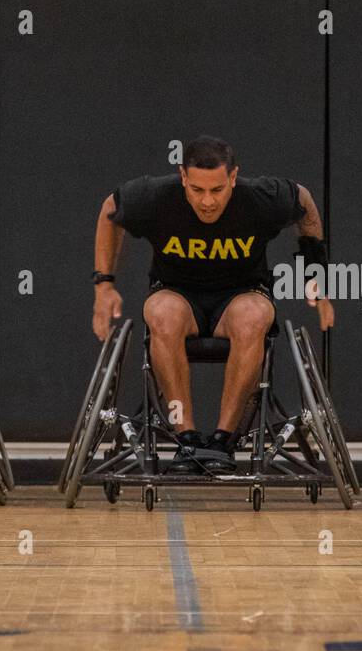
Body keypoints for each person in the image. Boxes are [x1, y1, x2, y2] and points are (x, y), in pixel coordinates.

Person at [92, 136, 334, 474]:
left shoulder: (262, 198)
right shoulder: (156, 197)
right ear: (183, 178)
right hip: (177, 294)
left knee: (255, 315)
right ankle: (186, 437)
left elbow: (304, 201)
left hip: (241, 294)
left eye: (217, 190)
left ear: (233, 178)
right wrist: (104, 284)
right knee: (161, 312)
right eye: (197, 190)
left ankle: (223, 439)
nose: (207, 201)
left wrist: (316, 275)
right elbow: (110, 210)